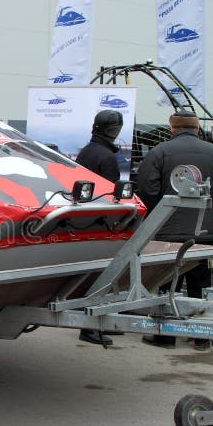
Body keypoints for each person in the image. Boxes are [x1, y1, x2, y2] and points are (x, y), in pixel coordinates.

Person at [136, 110, 213, 349]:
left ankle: (166, 335)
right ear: (197, 127)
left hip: (168, 232)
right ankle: (201, 338)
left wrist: (157, 218)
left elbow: (146, 190)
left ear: (172, 128)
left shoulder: (159, 152)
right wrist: (211, 215)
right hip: (203, 232)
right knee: (200, 284)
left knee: (167, 283)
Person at [75, 109, 124, 345]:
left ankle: (96, 322)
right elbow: (111, 194)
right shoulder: (107, 157)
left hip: (82, 222)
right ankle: (90, 327)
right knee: (101, 276)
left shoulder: (86, 152)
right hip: (101, 223)